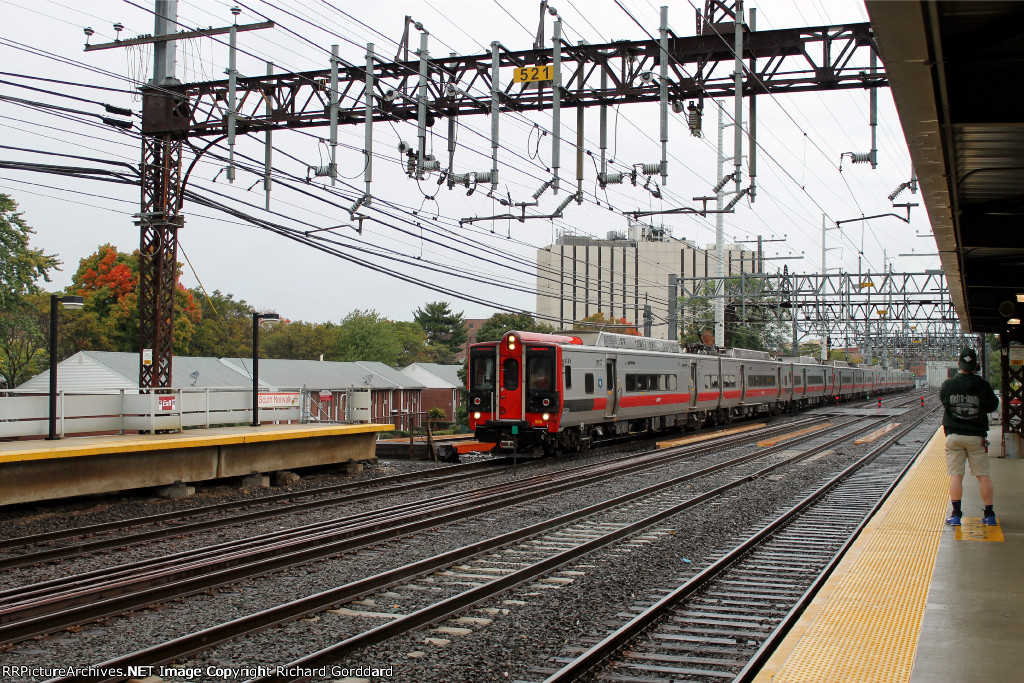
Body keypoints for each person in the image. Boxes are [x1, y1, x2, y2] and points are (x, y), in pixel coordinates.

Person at [940, 346, 999, 526]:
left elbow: (944, 402)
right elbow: (993, 405)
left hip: (955, 435)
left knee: (956, 476)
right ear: (976, 366)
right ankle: (989, 515)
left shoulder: (948, 385)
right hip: (976, 437)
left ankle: (956, 515)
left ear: (959, 364)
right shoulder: (983, 385)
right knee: (983, 476)